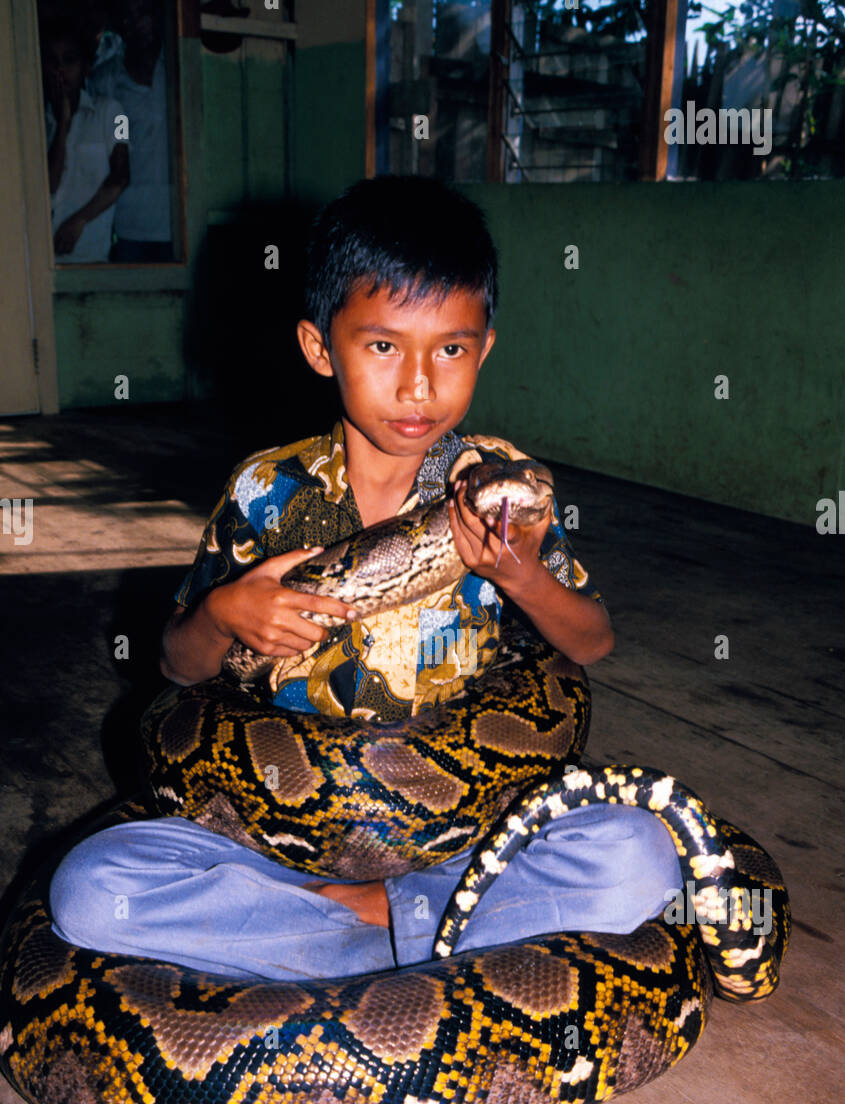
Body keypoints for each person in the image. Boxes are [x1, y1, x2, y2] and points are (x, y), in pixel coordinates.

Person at [50, 176, 684, 980]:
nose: (418, 384)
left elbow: (591, 642)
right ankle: (411, 929)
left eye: (449, 349)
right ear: (321, 348)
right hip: (268, 835)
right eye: (383, 346)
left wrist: (522, 575)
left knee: (637, 857)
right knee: (93, 890)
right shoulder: (266, 491)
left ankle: (336, 931)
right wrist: (222, 613)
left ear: (483, 348)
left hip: (468, 832)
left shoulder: (496, 490)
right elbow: (178, 669)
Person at [89, 0, 173, 262]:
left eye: (146, 12)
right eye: (131, 15)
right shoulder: (105, 80)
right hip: (128, 225)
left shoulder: (176, 68)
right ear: (121, 23)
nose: (140, 23)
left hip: (179, 223)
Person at [42, 18, 130, 263]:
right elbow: (48, 186)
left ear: (85, 67)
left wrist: (79, 220)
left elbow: (122, 177)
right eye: (52, 61)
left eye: (69, 60)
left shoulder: (114, 112)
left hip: (92, 259)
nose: (60, 70)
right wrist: (63, 125)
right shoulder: (38, 122)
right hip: (46, 262)